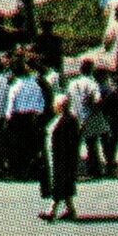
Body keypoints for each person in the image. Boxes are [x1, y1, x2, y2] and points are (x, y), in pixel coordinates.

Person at [39, 93, 81, 223]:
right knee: (64, 183)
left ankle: (52, 211)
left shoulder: (68, 120)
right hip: (56, 155)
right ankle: (71, 211)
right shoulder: (63, 118)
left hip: (61, 157)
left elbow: (69, 142)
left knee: (59, 182)